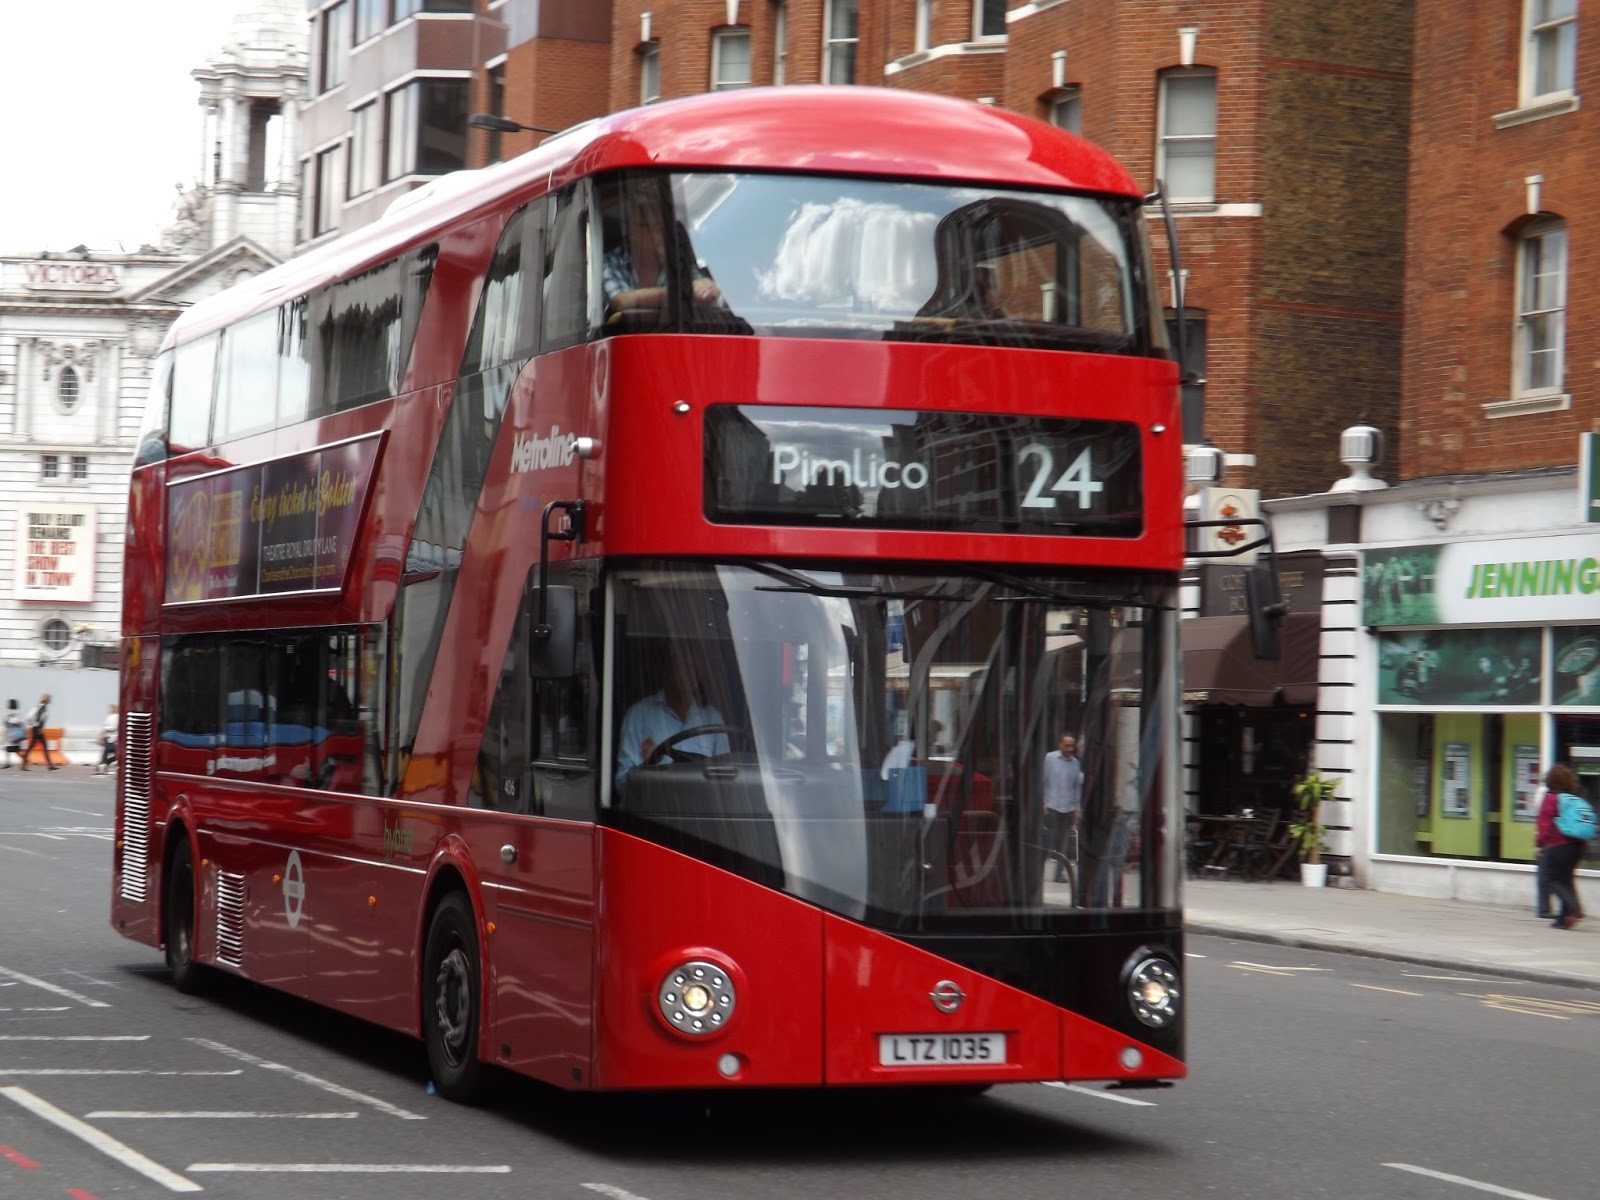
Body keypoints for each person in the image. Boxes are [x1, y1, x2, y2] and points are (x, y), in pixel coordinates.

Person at [615, 652, 730, 788]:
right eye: (683, 666)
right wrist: (648, 768)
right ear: (668, 669)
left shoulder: (713, 718)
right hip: (655, 806)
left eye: (694, 668)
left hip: (703, 806)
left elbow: (725, 780)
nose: (689, 673)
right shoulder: (639, 715)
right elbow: (623, 782)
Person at [602, 197, 721, 320]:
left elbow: (701, 287)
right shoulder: (611, 262)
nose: (666, 236)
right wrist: (678, 293)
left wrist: (707, 287)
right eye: (658, 228)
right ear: (633, 231)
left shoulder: (679, 262)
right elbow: (620, 302)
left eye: (669, 230)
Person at [1536, 763, 1588, 930]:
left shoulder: (1551, 797)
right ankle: (1563, 919)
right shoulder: (1574, 797)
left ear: (1550, 780)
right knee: (1566, 879)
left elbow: (1544, 824)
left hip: (1559, 844)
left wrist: (1539, 844)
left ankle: (1574, 907)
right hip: (1578, 845)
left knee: (1551, 879)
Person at [1042, 732, 1083, 883]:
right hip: (1052, 805)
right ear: (1060, 745)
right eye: (1067, 745)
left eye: (1071, 745)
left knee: (1064, 842)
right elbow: (1044, 780)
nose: (1070, 748)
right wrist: (1043, 801)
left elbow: (1076, 787)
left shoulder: (1075, 763)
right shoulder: (1050, 758)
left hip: (1068, 807)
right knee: (1050, 840)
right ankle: (1040, 871)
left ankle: (1058, 873)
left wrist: (1077, 809)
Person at [21, 692, 59, 771]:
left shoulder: (37, 706)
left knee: (38, 747)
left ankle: (49, 765)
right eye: (50, 699)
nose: (51, 700)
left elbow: (31, 717)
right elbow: (39, 718)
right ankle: (24, 765)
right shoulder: (43, 708)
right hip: (37, 729)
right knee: (34, 747)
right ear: (47, 700)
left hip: (34, 728)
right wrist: (39, 729)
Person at [96, 703, 119, 776]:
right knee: (106, 751)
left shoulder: (116, 716)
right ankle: (103, 764)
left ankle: (104, 764)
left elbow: (114, 727)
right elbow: (104, 726)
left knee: (111, 751)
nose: (108, 710)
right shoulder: (109, 716)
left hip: (113, 737)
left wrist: (105, 729)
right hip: (108, 736)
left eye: (110, 708)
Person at [1, 699, 24, 767]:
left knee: (10, 749)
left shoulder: (10, 713)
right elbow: (21, 722)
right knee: (13, 749)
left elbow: (4, 722)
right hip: (14, 734)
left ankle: (9, 763)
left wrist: (10, 724)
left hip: (12, 734)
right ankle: (9, 762)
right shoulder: (18, 713)